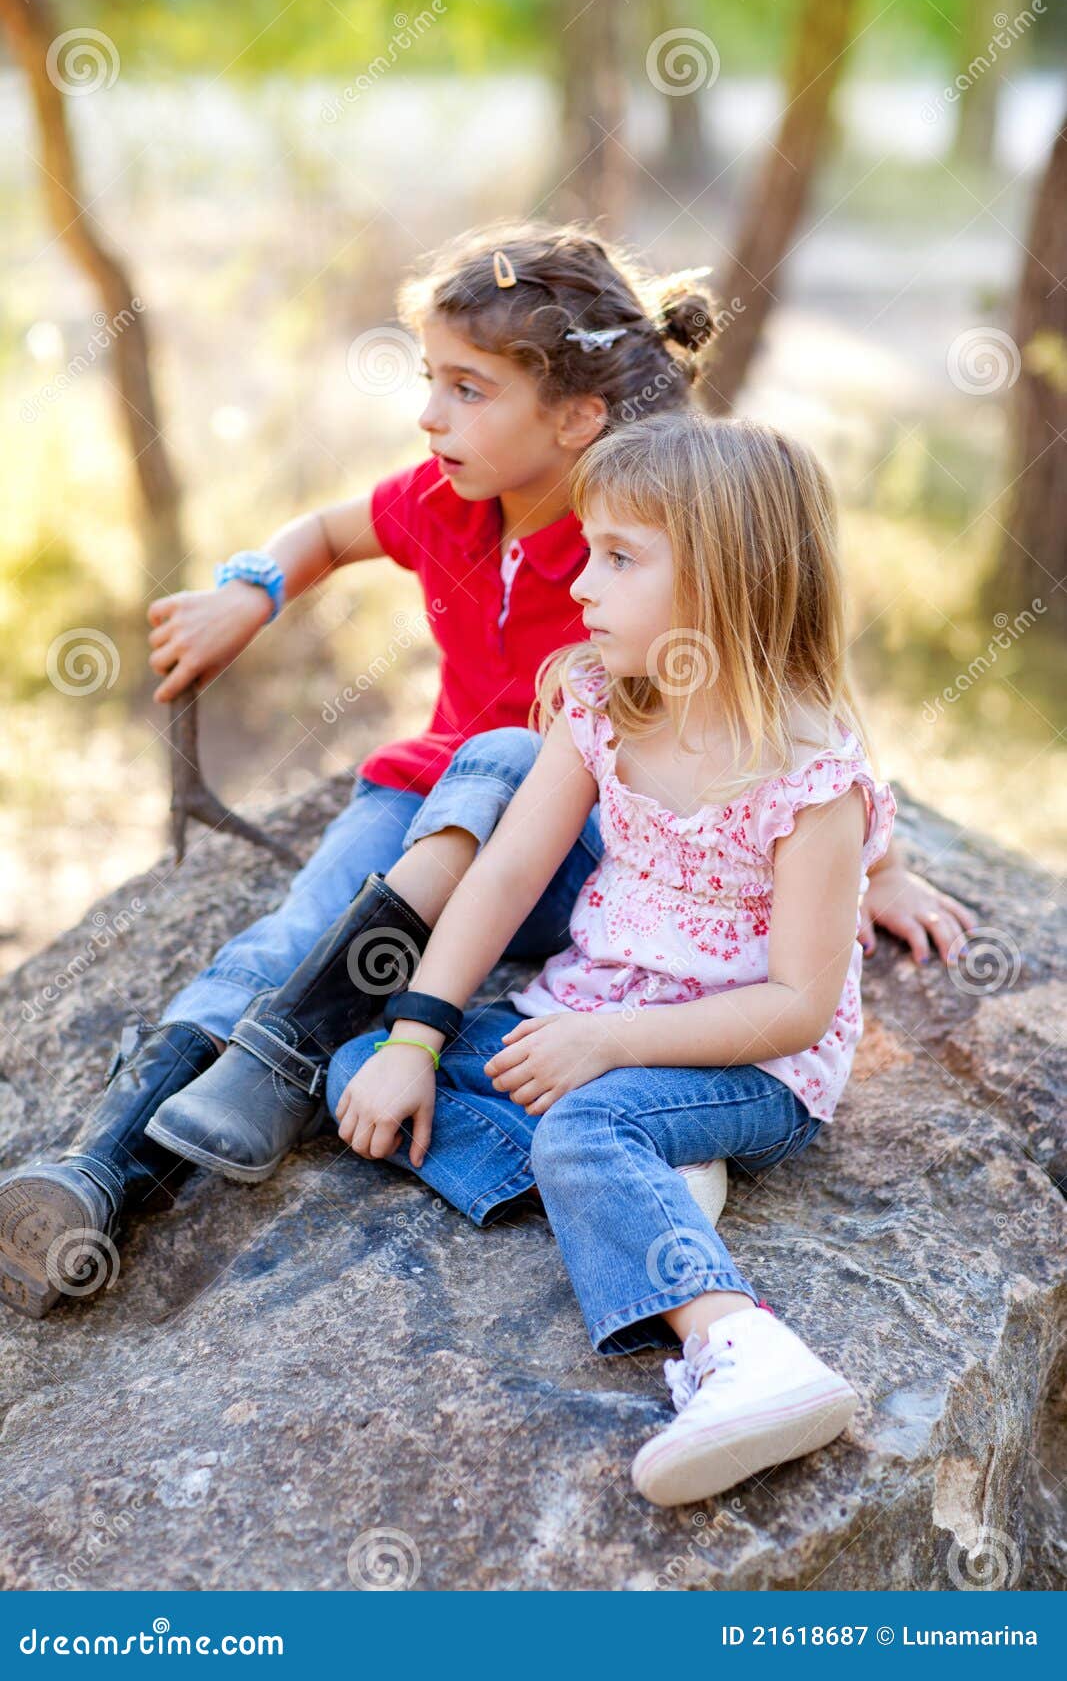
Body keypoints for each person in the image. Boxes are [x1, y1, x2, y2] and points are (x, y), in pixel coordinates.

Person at [0, 221, 972, 1320]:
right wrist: (249, 590)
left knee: (503, 753)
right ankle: (103, 1169)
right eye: (430, 382)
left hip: (566, 849)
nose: (429, 416)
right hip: (429, 819)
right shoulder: (440, 501)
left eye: (467, 389)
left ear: (575, 416)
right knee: (291, 941)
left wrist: (874, 863)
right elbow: (321, 531)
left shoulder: (646, 537)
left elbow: (780, 683)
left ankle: (605, 1157)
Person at [327, 412, 897, 1507]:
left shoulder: (807, 782)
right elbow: (500, 877)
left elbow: (795, 1004)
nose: (579, 583)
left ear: (730, 578)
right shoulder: (599, 706)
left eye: (619, 558)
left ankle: (738, 1345)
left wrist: (605, 1046)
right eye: (587, 548)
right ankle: (639, 1193)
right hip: (591, 1009)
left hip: (746, 1065)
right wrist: (414, 1033)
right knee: (357, 1071)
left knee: (590, 1119)